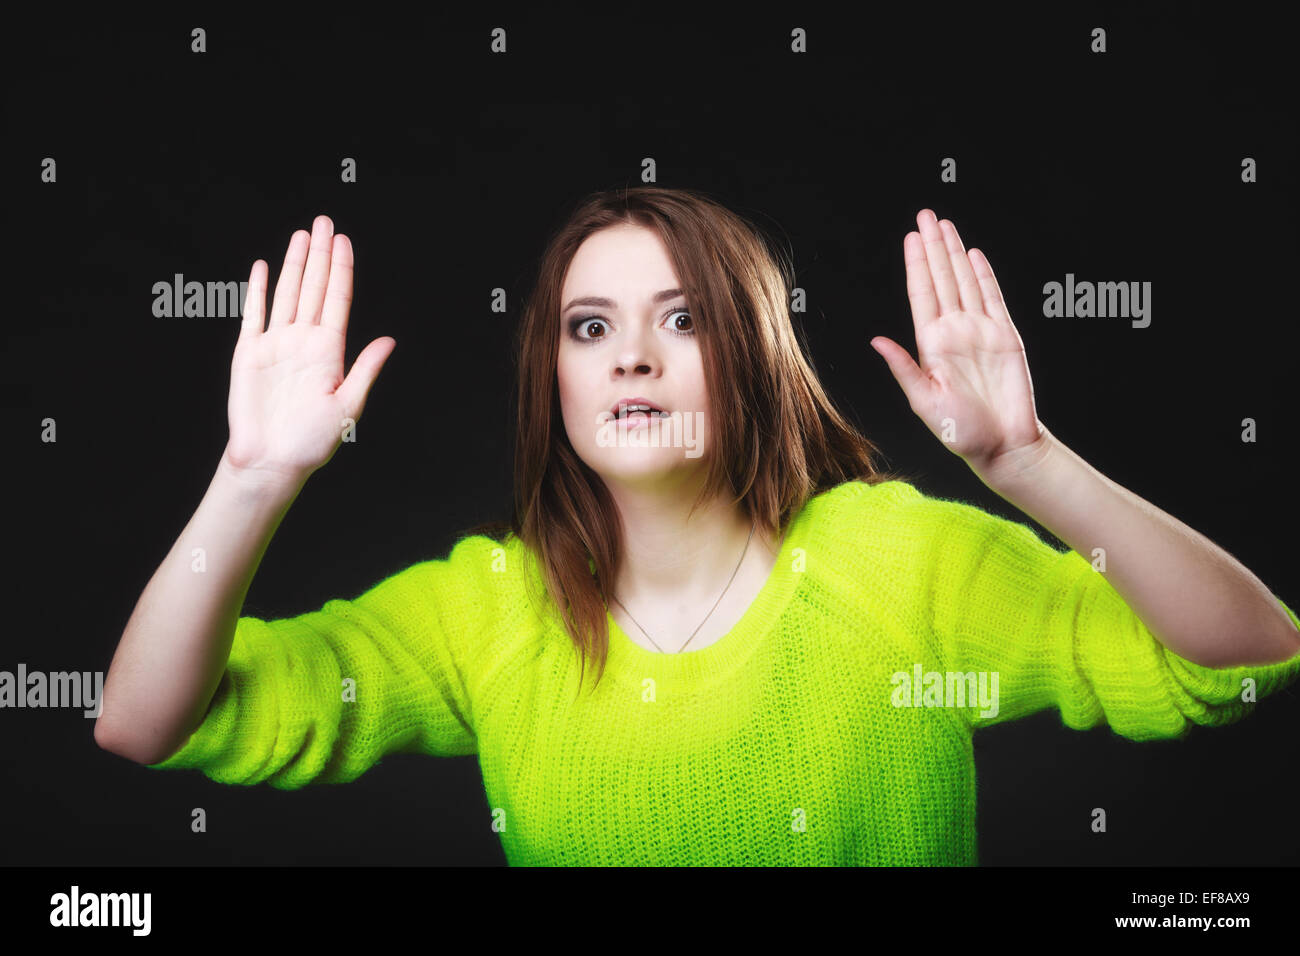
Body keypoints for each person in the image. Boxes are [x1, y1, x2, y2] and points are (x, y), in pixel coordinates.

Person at [95, 186, 1300, 866]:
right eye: (588, 326)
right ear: (553, 382)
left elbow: (1245, 653)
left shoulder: (899, 558)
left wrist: (1028, 463)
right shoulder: (487, 610)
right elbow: (147, 721)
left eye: (681, 318)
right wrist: (249, 479)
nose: (629, 353)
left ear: (753, 357)